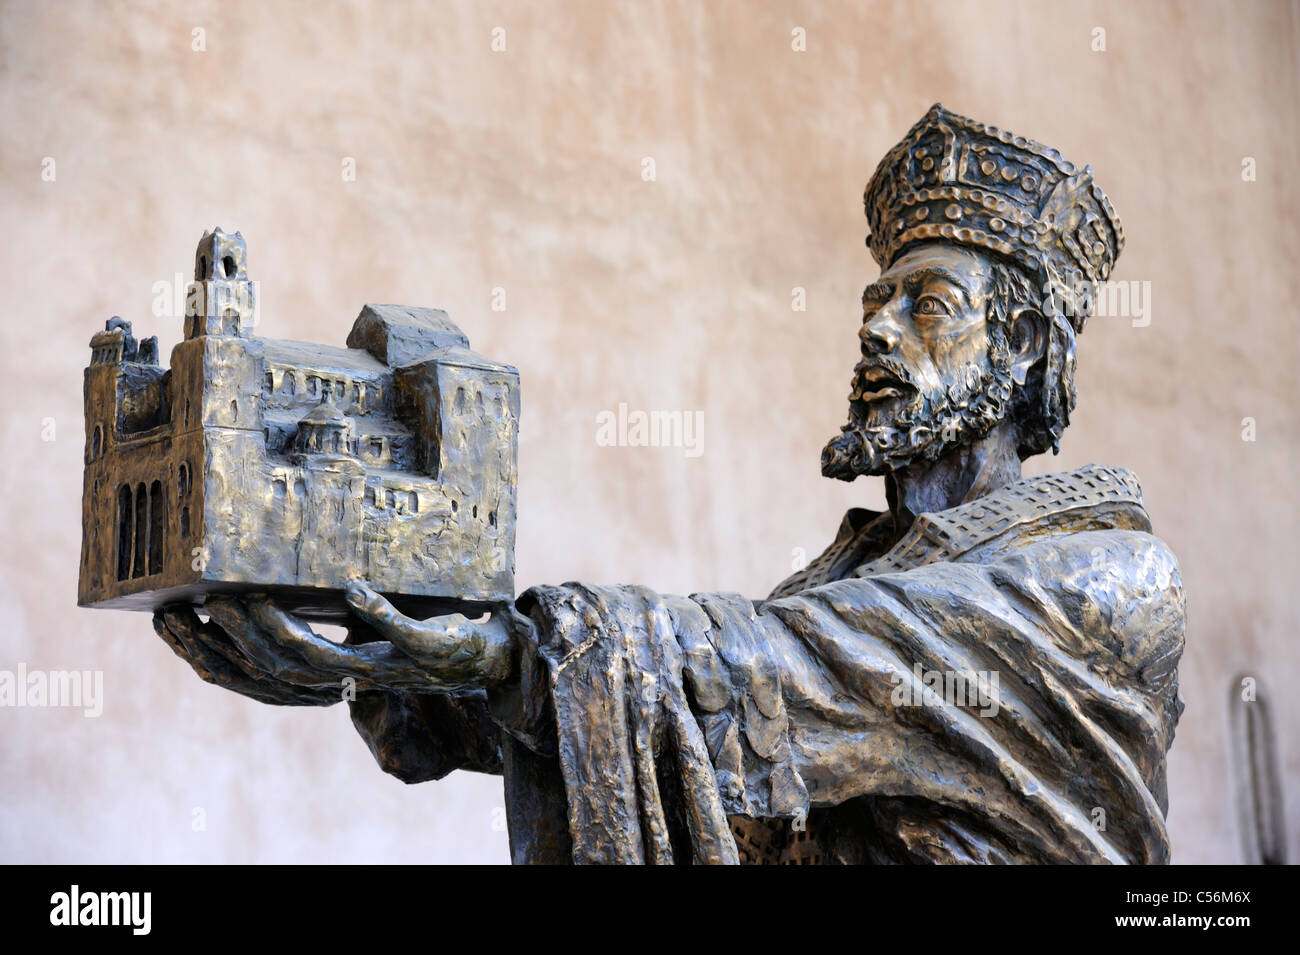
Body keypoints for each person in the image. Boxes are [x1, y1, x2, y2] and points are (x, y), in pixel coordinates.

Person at [155, 104, 1184, 864]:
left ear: (1017, 346)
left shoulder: (1109, 579)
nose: (874, 325)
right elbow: (691, 718)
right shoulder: (851, 575)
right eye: (874, 298)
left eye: (927, 303)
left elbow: (779, 668)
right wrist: (377, 657)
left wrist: (507, 649)